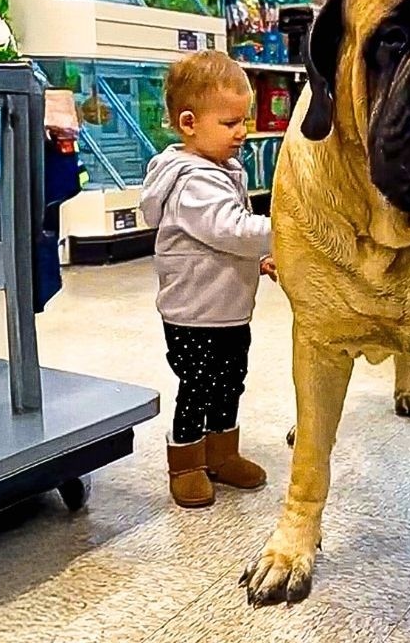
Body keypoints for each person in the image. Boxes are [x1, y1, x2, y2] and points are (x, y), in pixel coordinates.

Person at [139, 50, 277, 509]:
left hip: (228, 309)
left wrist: (256, 262)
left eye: (244, 120)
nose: (242, 132)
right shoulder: (193, 181)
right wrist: (290, 230)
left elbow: (220, 243)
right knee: (197, 388)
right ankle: (186, 464)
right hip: (195, 314)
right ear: (188, 123)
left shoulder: (221, 171)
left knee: (229, 382)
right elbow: (232, 230)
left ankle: (223, 453)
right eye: (230, 122)